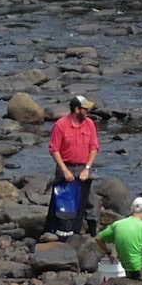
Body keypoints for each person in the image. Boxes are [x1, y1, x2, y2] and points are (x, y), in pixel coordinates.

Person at [44, 94, 99, 237]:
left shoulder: (89, 124)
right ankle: (55, 230)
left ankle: (93, 233)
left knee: (89, 201)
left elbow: (94, 147)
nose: (87, 111)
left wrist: (87, 168)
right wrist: (64, 170)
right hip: (65, 166)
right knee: (61, 199)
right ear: (77, 110)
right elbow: (54, 149)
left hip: (82, 167)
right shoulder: (60, 125)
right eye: (85, 109)